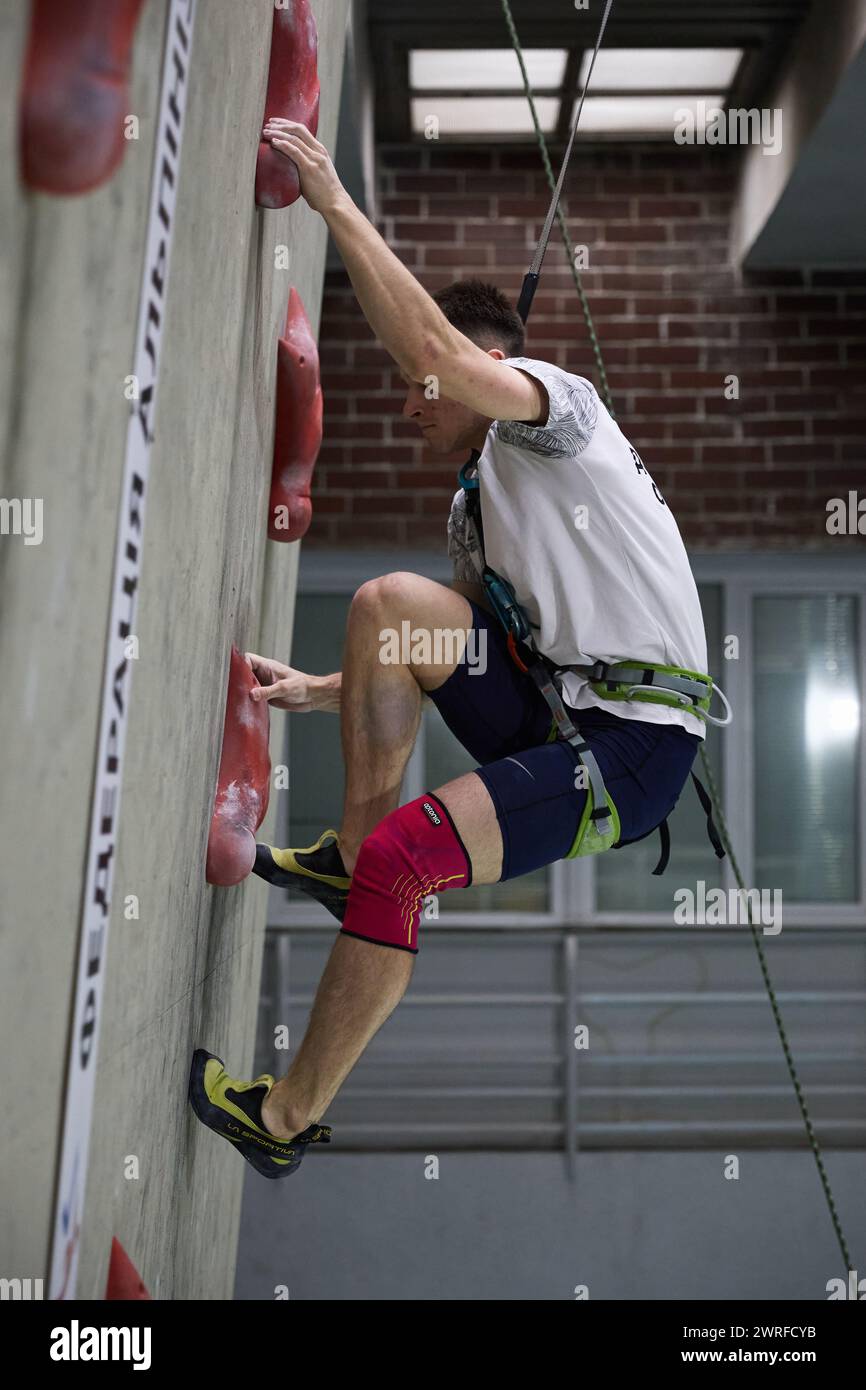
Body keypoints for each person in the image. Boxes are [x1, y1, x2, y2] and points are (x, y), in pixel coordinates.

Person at [188, 119, 709, 1179]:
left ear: (489, 367)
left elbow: (431, 349)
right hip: (555, 705)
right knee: (387, 603)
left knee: (408, 863)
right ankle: (347, 854)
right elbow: (444, 651)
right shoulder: (477, 508)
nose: (407, 396)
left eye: (424, 384)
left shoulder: (558, 411)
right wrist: (329, 687)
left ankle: (280, 1121)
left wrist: (333, 202)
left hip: (634, 751)